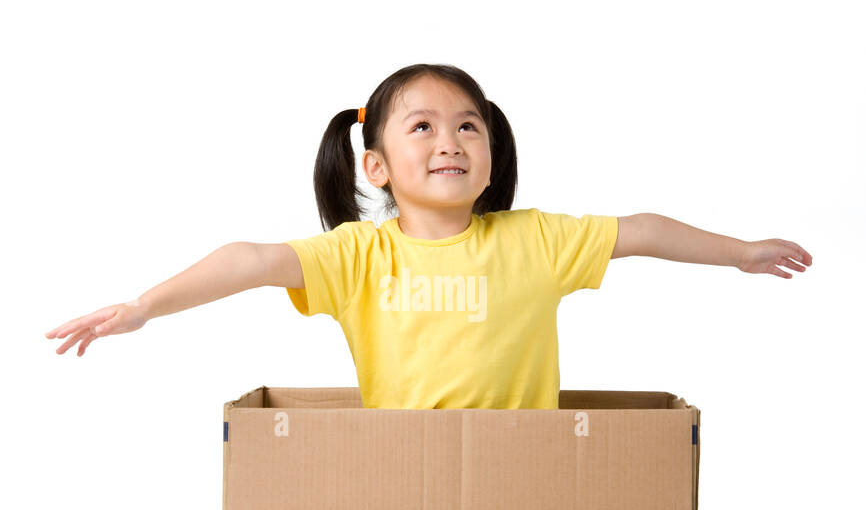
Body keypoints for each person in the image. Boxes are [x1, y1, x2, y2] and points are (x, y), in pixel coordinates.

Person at [45, 62, 812, 408]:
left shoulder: (534, 241)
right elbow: (248, 260)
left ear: (490, 159)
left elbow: (642, 230)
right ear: (376, 165)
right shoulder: (357, 256)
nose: (450, 141)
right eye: (424, 127)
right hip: (404, 471)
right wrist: (144, 306)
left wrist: (740, 252)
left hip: (524, 469)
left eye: (468, 127)